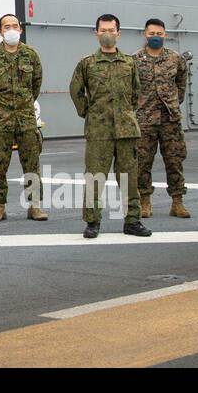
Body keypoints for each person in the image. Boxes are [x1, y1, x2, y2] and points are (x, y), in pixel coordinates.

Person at [69, 14, 150, 239]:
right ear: (96, 34)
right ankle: (92, 222)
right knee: (95, 177)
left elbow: (137, 92)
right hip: (99, 130)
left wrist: (127, 113)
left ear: (118, 33)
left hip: (126, 130)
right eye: (103, 30)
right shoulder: (87, 63)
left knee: (129, 177)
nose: (107, 34)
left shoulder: (129, 62)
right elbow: (76, 90)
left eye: (111, 30)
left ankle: (132, 220)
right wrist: (88, 111)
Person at [0, 14, 45, 222]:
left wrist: (24, 103)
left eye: (14, 26)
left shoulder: (31, 55)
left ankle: (34, 205)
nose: (11, 29)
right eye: (6, 26)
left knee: (32, 163)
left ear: (20, 29)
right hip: (0, 120)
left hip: (26, 118)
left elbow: (35, 85)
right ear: (0, 31)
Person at [133, 19, 190, 219]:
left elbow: (181, 84)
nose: (155, 37)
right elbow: (131, 88)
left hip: (170, 120)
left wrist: (174, 103)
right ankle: (145, 202)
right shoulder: (135, 60)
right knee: (142, 163)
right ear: (145, 34)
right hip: (144, 120)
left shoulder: (175, 59)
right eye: (152, 33)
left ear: (165, 35)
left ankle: (177, 202)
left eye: (159, 33)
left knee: (174, 161)